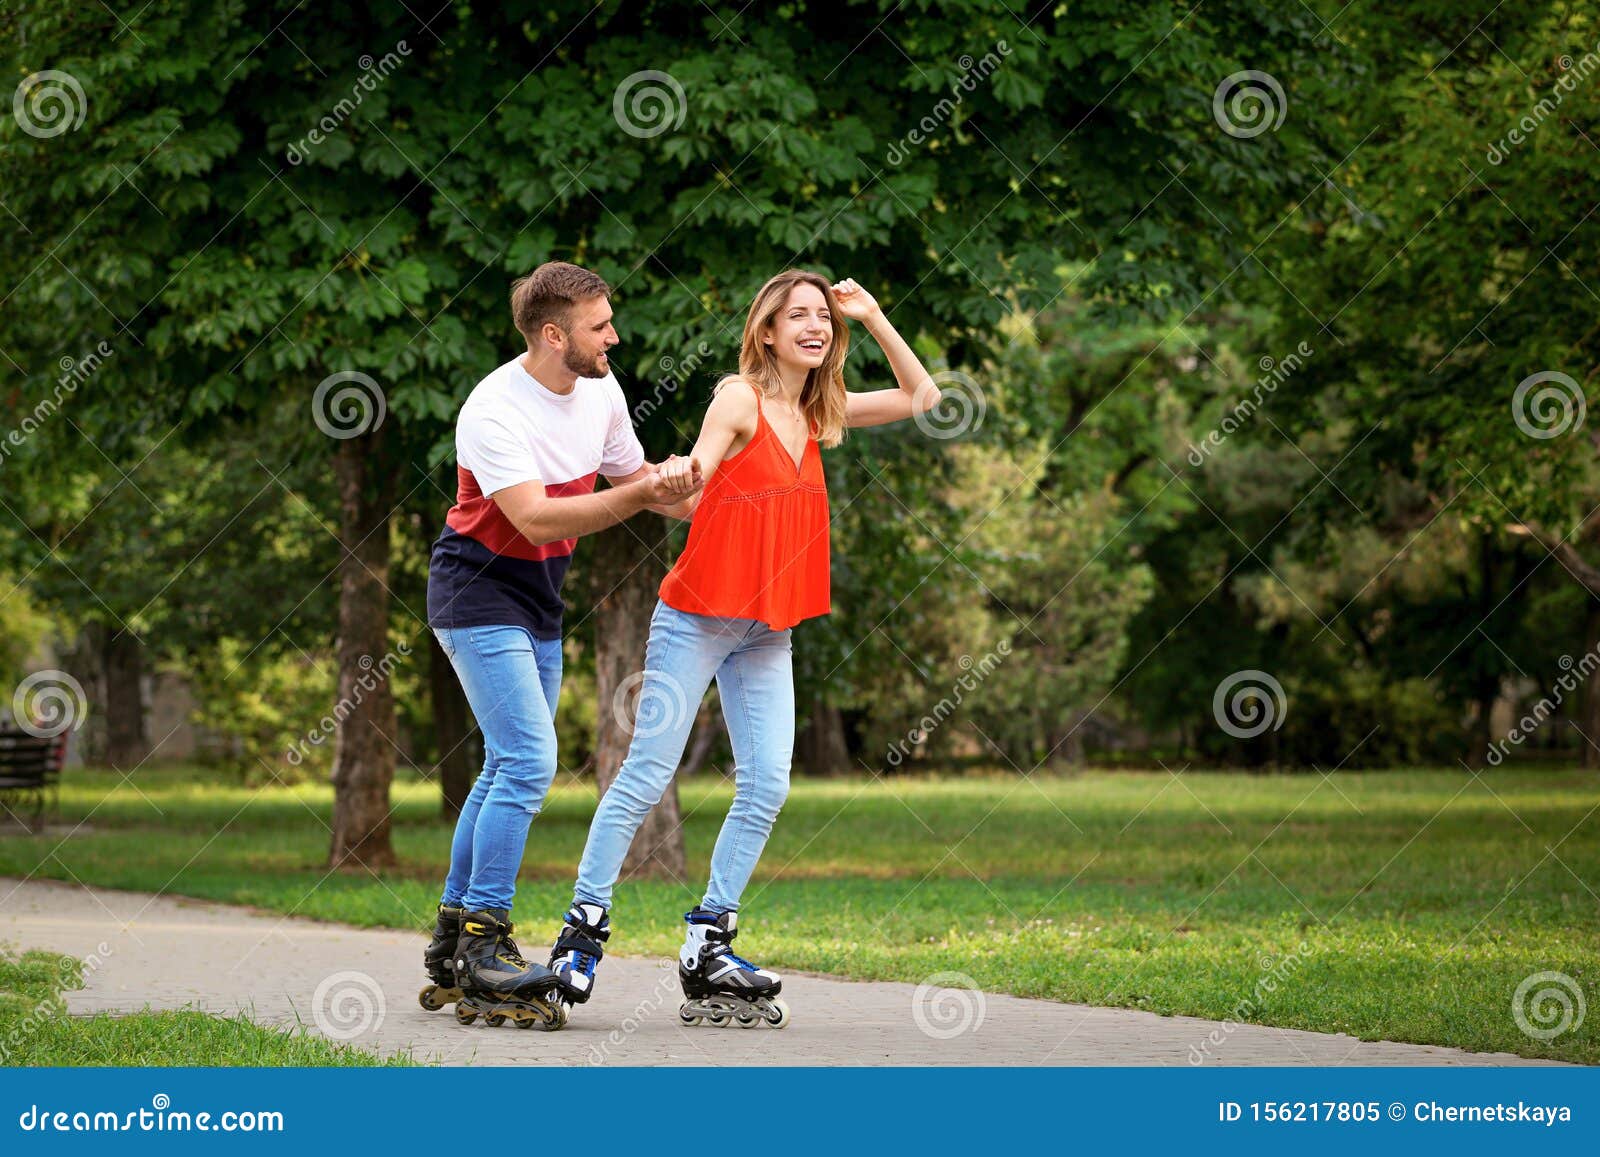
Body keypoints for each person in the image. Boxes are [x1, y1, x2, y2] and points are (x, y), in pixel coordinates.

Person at [547, 270, 939, 1028]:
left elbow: (922, 398)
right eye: (798, 315)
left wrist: (876, 311)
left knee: (767, 783)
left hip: (767, 628)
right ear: (766, 331)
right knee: (647, 773)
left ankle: (709, 938)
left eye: (823, 316)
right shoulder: (740, 397)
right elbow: (700, 469)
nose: (815, 325)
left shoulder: (821, 412)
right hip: (697, 616)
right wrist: (684, 473)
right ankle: (582, 930)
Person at [418, 261, 701, 1030]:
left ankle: (451, 936)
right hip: (477, 591)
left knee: (504, 765)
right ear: (553, 335)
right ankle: (485, 940)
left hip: (538, 599)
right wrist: (643, 495)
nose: (615, 336)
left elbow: (639, 478)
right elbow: (538, 518)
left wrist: (714, 507)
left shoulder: (603, 391)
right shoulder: (493, 408)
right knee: (530, 760)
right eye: (599, 325)